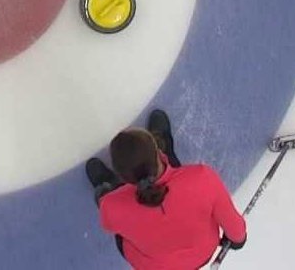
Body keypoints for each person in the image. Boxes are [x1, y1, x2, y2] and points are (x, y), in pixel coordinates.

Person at [86, 109, 247, 269]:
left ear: (123, 176)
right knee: (174, 169)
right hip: (203, 252)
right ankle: (167, 150)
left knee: (112, 212)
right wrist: (238, 240)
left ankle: (107, 187)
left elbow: (109, 226)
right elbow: (235, 228)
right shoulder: (201, 179)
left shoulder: (111, 207)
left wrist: (108, 198)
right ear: (157, 151)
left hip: (153, 265)